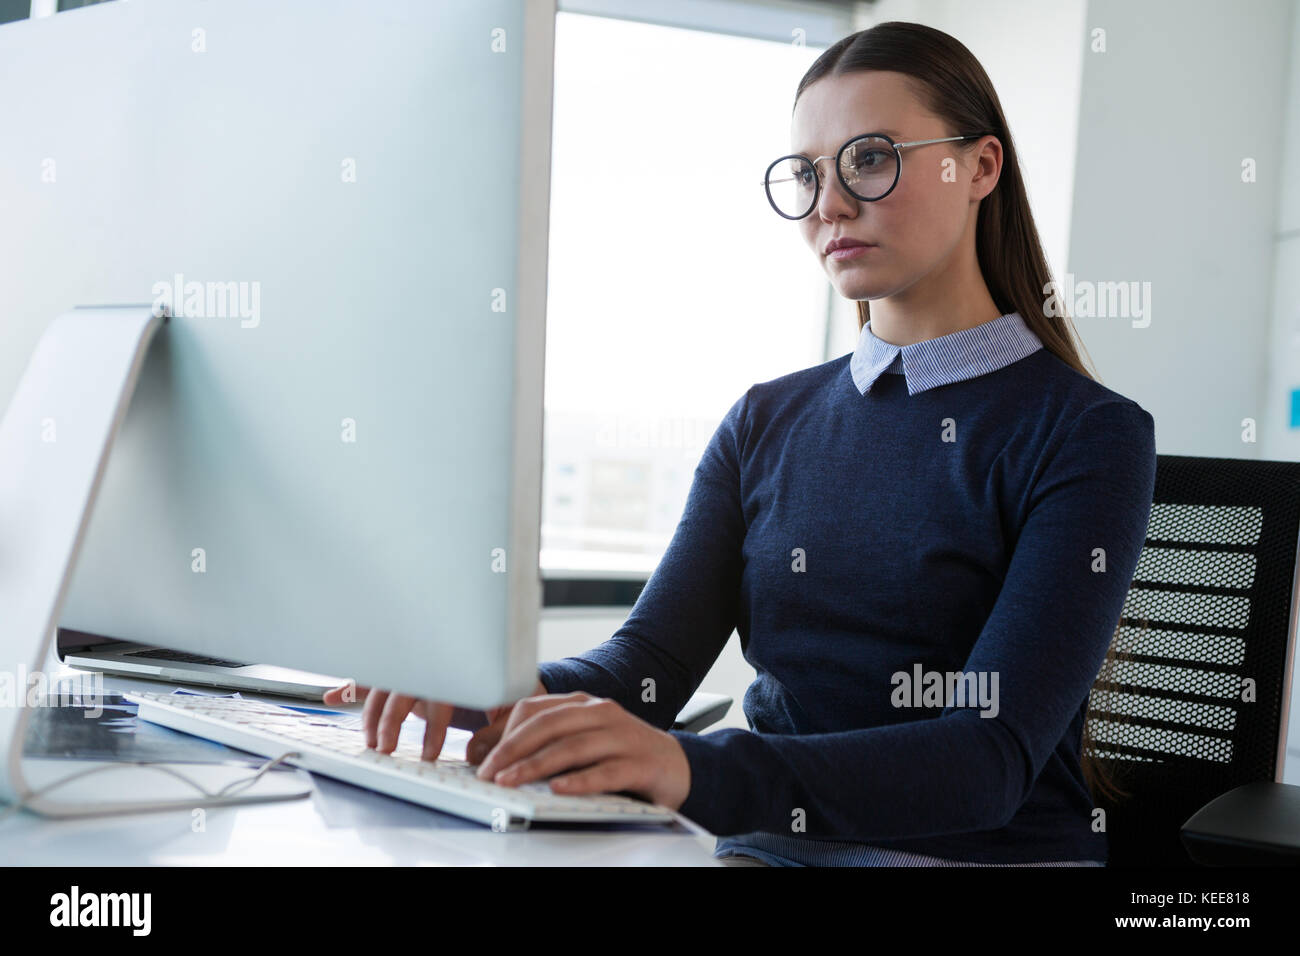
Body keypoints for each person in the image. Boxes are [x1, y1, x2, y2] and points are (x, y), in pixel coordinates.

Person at [324, 20, 1156, 867]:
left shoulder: (1088, 434)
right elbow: (645, 667)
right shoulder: (766, 419)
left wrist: (687, 765)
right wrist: (483, 696)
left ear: (980, 166)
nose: (829, 203)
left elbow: (988, 759)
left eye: (870, 158)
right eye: (808, 173)